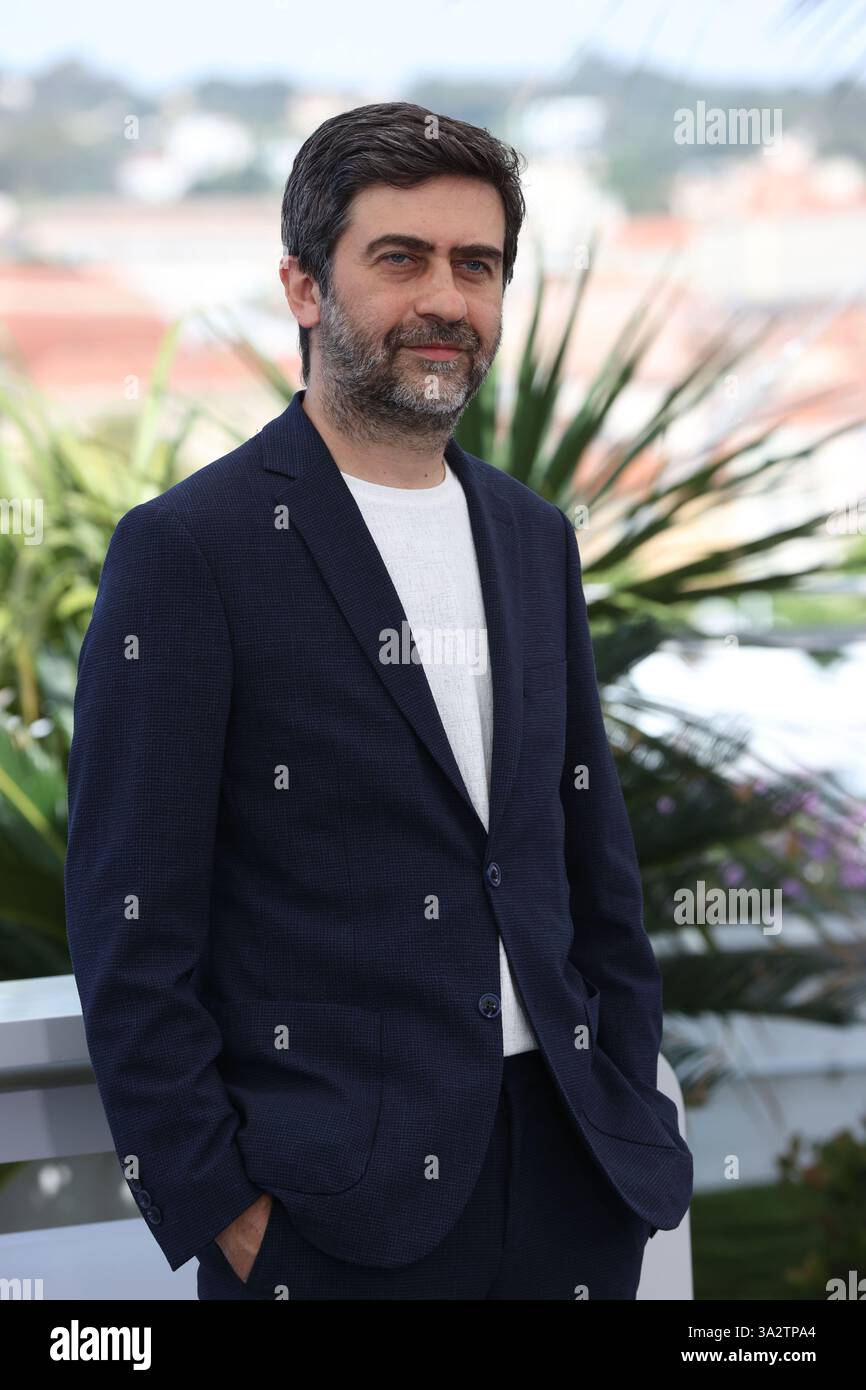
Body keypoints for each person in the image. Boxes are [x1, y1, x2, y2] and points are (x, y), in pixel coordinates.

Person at [64, 101, 692, 1301]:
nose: (445, 299)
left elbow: (583, 854)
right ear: (304, 287)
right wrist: (226, 1212)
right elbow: (128, 921)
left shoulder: (531, 536)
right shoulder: (191, 549)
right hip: (326, 1215)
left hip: (571, 1178)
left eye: (477, 264)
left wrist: (624, 1100)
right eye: (398, 259)